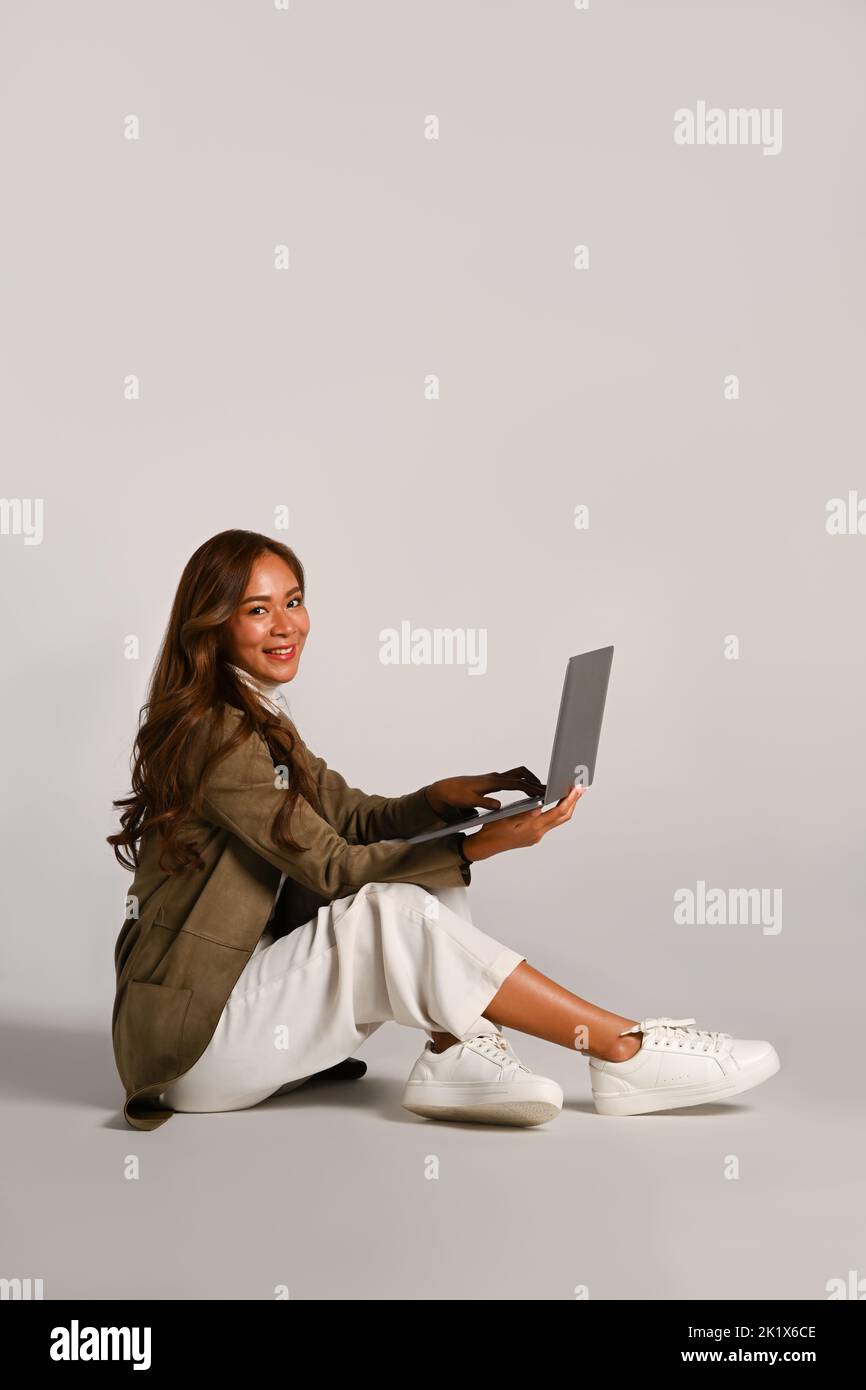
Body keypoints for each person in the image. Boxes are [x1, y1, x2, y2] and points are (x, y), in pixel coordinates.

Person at [108, 529, 780, 1131]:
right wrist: (477, 846)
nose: (287, 625)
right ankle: (622, 1049)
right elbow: (334, 868)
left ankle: (454, 1054)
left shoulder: (252, 712)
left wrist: (440, 801)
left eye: (294, 600)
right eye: (258, 610)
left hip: (246, 1012)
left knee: (420, 887)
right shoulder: (214, 735)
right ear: (213, 626)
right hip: (192, 1049)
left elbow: (347, 817)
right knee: (389, 908)